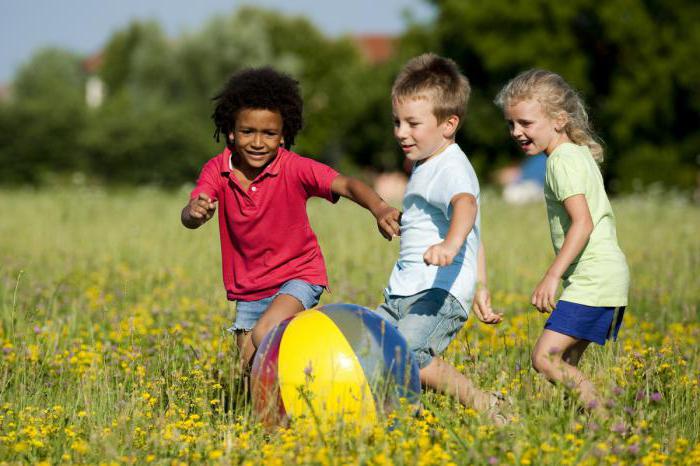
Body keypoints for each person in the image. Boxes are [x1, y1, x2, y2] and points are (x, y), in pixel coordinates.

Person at [181, 67, 400, 367]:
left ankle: (321, 357)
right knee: (250, 372)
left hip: (298, 277)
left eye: (269, 133)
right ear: (231, 132)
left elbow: (347, 184)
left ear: (283, 136)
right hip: (248, 289)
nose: (258, 142)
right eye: (248, 132)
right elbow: (192, 212)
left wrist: (380, 208)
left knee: (266, 332)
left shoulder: (295, 168)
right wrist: (194, 213)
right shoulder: (216, 170)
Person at [374, 53, 505, 422]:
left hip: (437, 292)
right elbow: (473, 233)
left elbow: (466, 207)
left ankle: (478, 405)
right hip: (405, 289)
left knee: (405, 355)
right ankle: (390, 415)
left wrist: (449, 245)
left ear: (448, 124)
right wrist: (481, 284)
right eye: (397, 122)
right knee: (371, 346)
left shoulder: (451, 167)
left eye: (413, 123)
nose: (401, 132)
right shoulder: (427, 164)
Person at [495, 69, 629, 418]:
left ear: (558, 119)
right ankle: (585, 431)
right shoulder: (575, 154)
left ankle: (610, 425)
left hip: (593, 279)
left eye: (525, 122)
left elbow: (582, 223)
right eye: (511, 124)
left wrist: (552, 275)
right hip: (605, 276)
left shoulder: (561, 161)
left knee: (545, 358)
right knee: (566, 362)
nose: (516, 132)